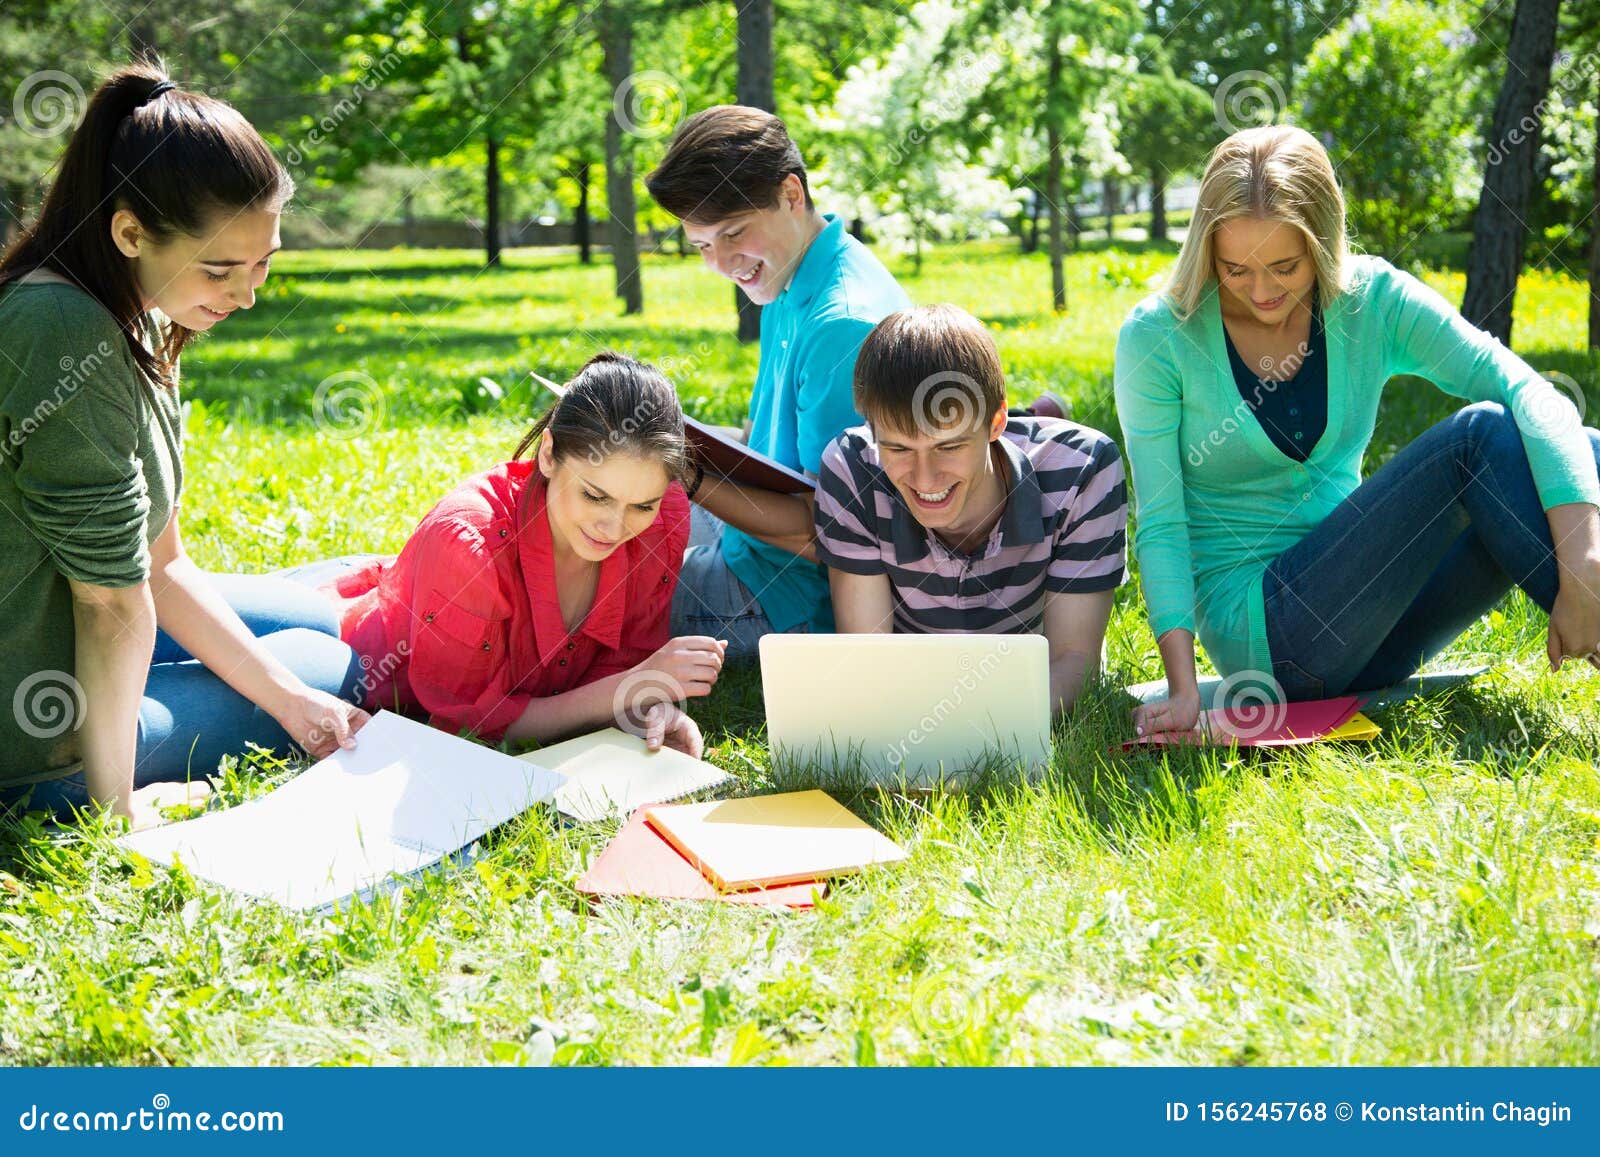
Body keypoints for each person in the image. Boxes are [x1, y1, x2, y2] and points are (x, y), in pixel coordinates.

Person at [1114, 125, 1600, 738]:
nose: (1262, 291)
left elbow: (1529, 389)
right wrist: (1185, 692)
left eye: (1286, 267)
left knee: (1572, 449)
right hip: (1271, 644)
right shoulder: (1159, 338)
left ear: (1323, 243)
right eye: (1235, 269)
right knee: (1477, 441)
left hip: (1379, 621)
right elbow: (1162, 524)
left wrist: (1584, 561)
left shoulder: (1369, 298)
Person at [0, 64, 369, 826]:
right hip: (29, 727)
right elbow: (107, 602)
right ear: (129, 230)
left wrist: (294, 705)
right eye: (221, 268)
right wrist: (117, 810)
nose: (247, 295)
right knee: (338, 665)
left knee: (323, 631)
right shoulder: (61, 328)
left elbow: (159, 566)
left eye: (264, 262)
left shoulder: (145, 313)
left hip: (84, 626)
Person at [312, 354, 724, 758]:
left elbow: (613, 671)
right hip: (353, 660)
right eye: (595, 496)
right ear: (548, 454)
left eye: (641, 506)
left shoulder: (662, 521)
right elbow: (475, 723)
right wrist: (634, 685)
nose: (615, 528)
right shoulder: (469, 547)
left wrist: (650, 709)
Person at [644, 105, 912, 656]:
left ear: (791, 194)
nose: (720, 263)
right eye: (701, 246)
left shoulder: (841, 326)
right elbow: (771, 453)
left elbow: (832, 535)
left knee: (591, 597)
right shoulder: (789, 275)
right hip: (756, 541)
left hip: (785, 597)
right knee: (602, 482)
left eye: (733, 233)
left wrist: (690, 476)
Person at [813, 305, 1127, 714]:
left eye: (949, 446)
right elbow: (872, 659)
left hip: (1029, 677)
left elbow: (1072, 660)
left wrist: (979, 726)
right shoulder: (853, 468)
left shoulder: (1084, 469)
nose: (925, 479)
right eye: (899, 449)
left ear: (996, 420)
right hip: (918, 683)